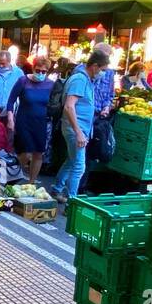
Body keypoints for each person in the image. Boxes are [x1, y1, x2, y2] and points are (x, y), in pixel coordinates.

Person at [51, 49, 107, 201]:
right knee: (79, 167)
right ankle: (72, 202)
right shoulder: (80, 80)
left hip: (78, 128)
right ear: (95, 66)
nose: (103, 73)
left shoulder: (84, 78)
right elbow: (69, 106)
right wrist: (79, 132)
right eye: (102, 69)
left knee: (71, 160)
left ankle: (57, 189)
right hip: (76, 129)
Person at [3, 54, 56, 180]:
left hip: (41, 122)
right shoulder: (23, 81)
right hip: (24, 121)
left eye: (44, 71)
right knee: (25, 153)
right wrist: (10, 119)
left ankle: (31, 183)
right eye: (38, 70)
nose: (40, 73)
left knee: (38, 153)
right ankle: (12, 176)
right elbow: (11, 101)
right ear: (33, 68)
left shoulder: (50, 84)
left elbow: (53, 103)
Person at [46, 57, 76, 180]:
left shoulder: (54, 74)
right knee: (60, 141)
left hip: (56, 111)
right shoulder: (69, 78)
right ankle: (55, 164)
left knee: (54, 138)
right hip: (61, 111)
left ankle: (52, 163)